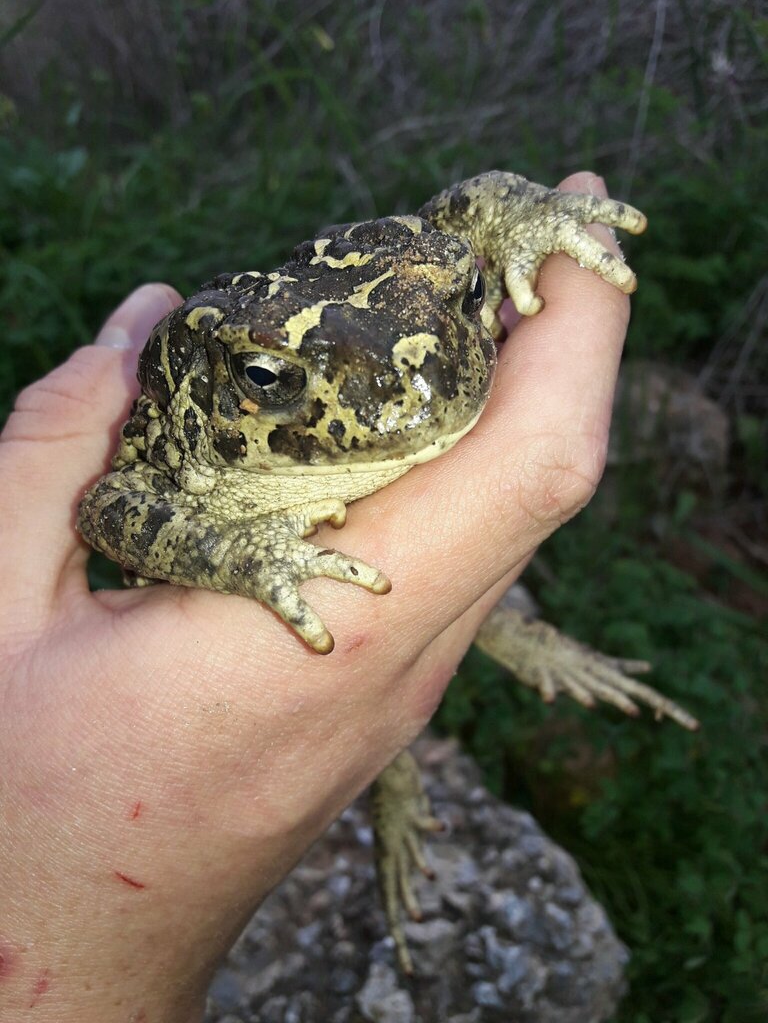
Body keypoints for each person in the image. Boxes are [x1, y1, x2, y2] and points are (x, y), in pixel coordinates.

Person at [0, 173, 633, 1022]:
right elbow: (112, 506)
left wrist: (523, 220)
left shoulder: (420, 299)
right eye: (270, 375)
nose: (416, 386)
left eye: (465, 298)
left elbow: (453, 221)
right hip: (240, 519)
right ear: (227, 393)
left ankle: (478, 688)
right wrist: (238, 558)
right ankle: (397, 779)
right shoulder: (201, 444)